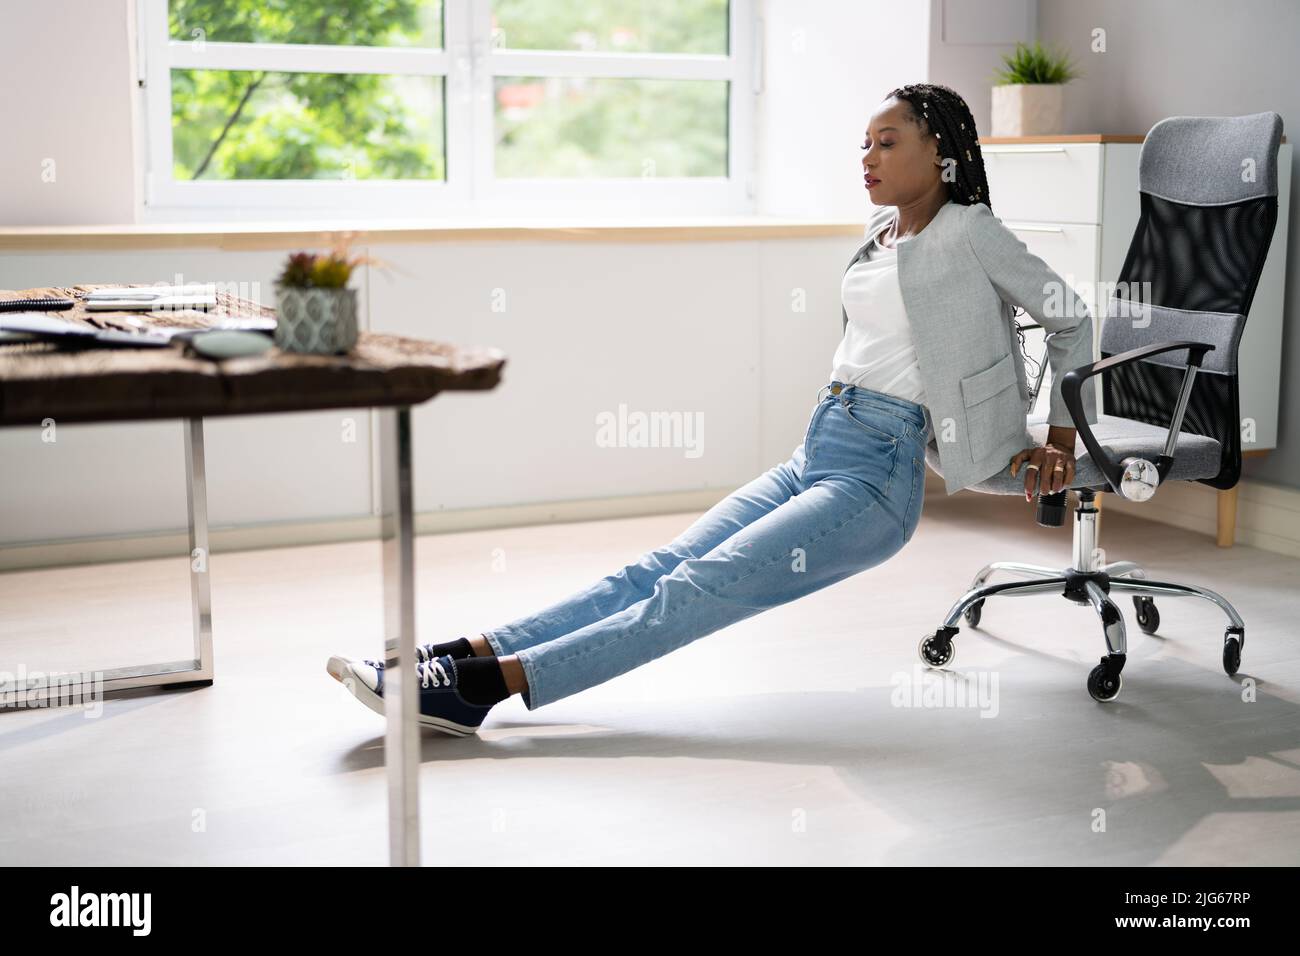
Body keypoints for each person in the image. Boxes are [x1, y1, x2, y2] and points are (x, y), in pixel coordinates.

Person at [326, 82, 1086, 736]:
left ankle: (480, 693)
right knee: (657, 567)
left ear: (941, 153)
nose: (868, 157)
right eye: (863, 144)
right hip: (821, 444)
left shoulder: (972, 232)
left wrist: (1054, 436)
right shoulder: (883, 231)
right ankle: (473, 652)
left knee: (698, 588)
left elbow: (1071, 318)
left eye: (888, 143)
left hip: (876, 480)